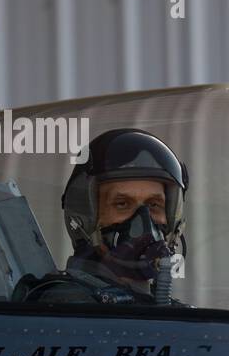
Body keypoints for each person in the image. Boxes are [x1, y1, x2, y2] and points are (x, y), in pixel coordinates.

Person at [16, 128, 187, 305]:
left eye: (153, 205)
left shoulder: (157, 305)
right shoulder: (69, 305)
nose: (143, 221)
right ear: (85, 220)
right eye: (122, 204)